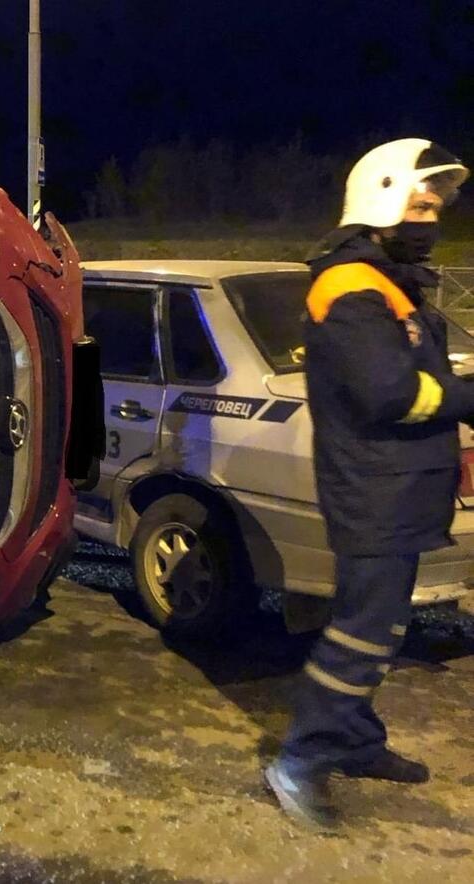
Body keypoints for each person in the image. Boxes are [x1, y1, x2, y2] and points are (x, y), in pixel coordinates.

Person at [264, 139, 473, 828]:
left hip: (399, 487)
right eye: (420, 204)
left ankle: (354, 740)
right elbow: (388, 392)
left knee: (379, 630)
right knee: (361, 633)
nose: (431, 219)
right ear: (381, 199)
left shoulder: (383, 281)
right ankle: (299, 761)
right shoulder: (348, 285)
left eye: (436, 208)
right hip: (374, 491)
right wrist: (463, 395)